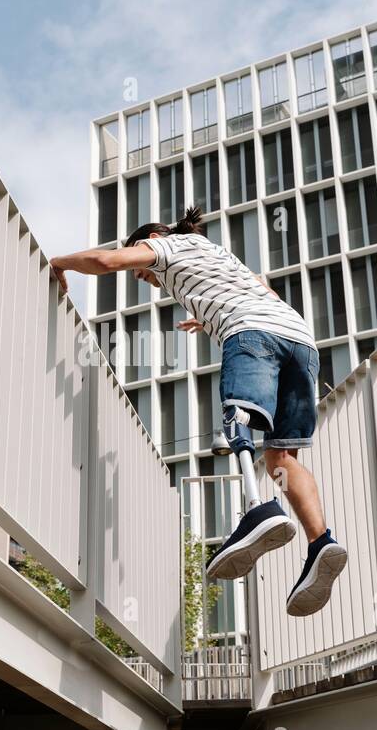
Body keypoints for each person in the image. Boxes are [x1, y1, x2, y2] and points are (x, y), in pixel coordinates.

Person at [50, 207, 347, 616]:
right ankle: (321, 542)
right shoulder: (218, 252)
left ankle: (258, 509)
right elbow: (265, 291)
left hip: (251, 332)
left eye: (143, 268)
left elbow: (106, 261)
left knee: (238, 414)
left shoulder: (164, 245)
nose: (145, 279)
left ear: (151, 237)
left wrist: (59, 263)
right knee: (281, 455)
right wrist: (207, 318)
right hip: (301, 343)